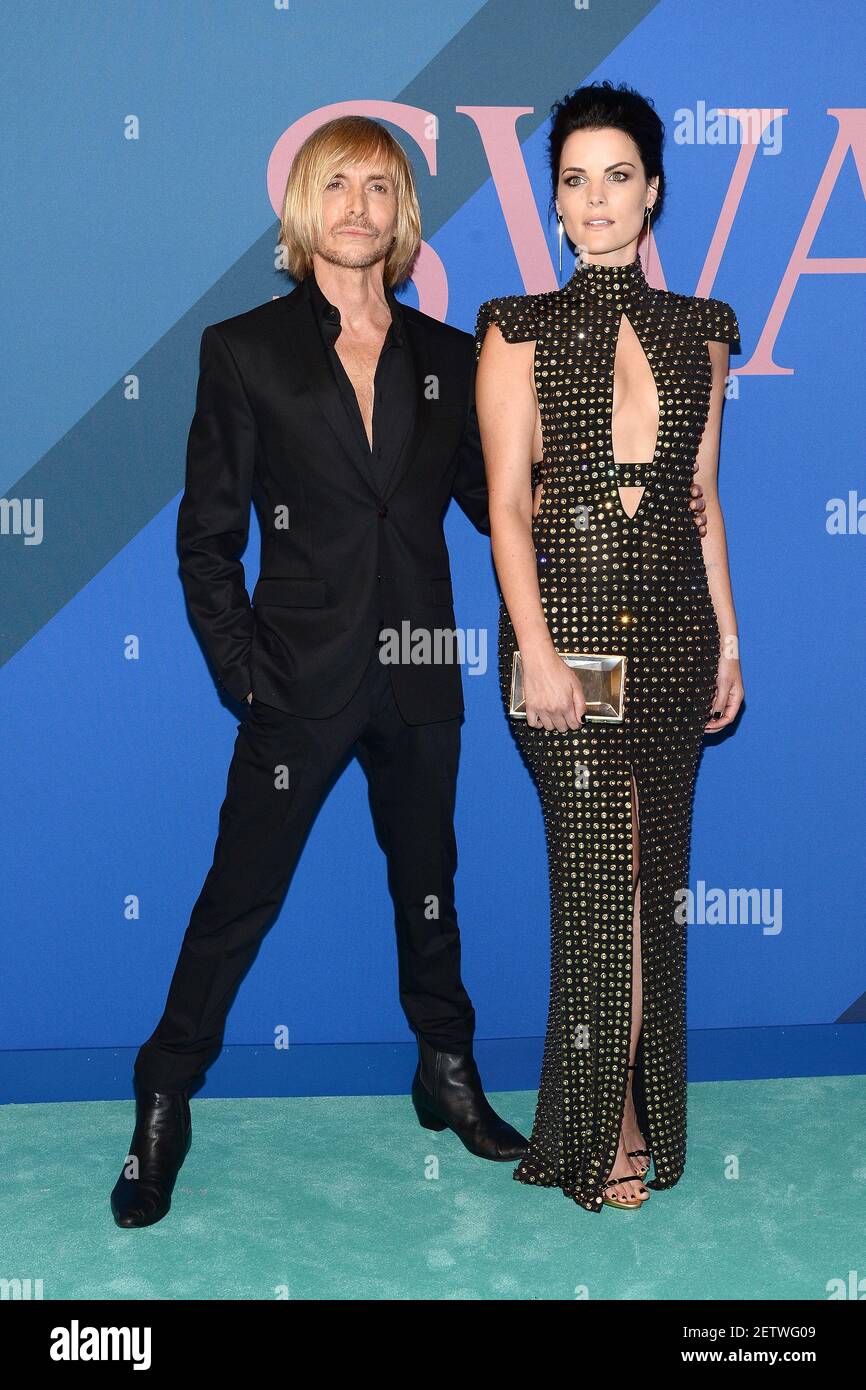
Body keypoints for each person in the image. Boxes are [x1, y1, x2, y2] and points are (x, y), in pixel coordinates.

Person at [109, 115, 532, 1229]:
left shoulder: (449, 356)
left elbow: (495, 505)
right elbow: (207, 538)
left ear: (402, 215)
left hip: (421, 667)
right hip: (297, 676)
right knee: (236, 896)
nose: (358, 206)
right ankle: (164, 1096)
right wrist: (245, 674)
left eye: (379, 187)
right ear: (304, 207)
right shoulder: (244, 349)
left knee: (429, 884)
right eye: (336, 184)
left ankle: (445, 1069)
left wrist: (612, 513)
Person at [474, 81, 744, 1212]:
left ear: (652, 191)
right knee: (596, 883)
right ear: (553, 201)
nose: (595, 199)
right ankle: (605, 1128)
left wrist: (730, 640)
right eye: (574, 181)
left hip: (677, 637)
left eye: (616, 177)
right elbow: (505, 507)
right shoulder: (515, 325)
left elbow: (702, 501)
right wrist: (534, 650)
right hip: (569, 639)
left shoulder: (705, 330)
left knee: (650, 885)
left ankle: (636, 1111)